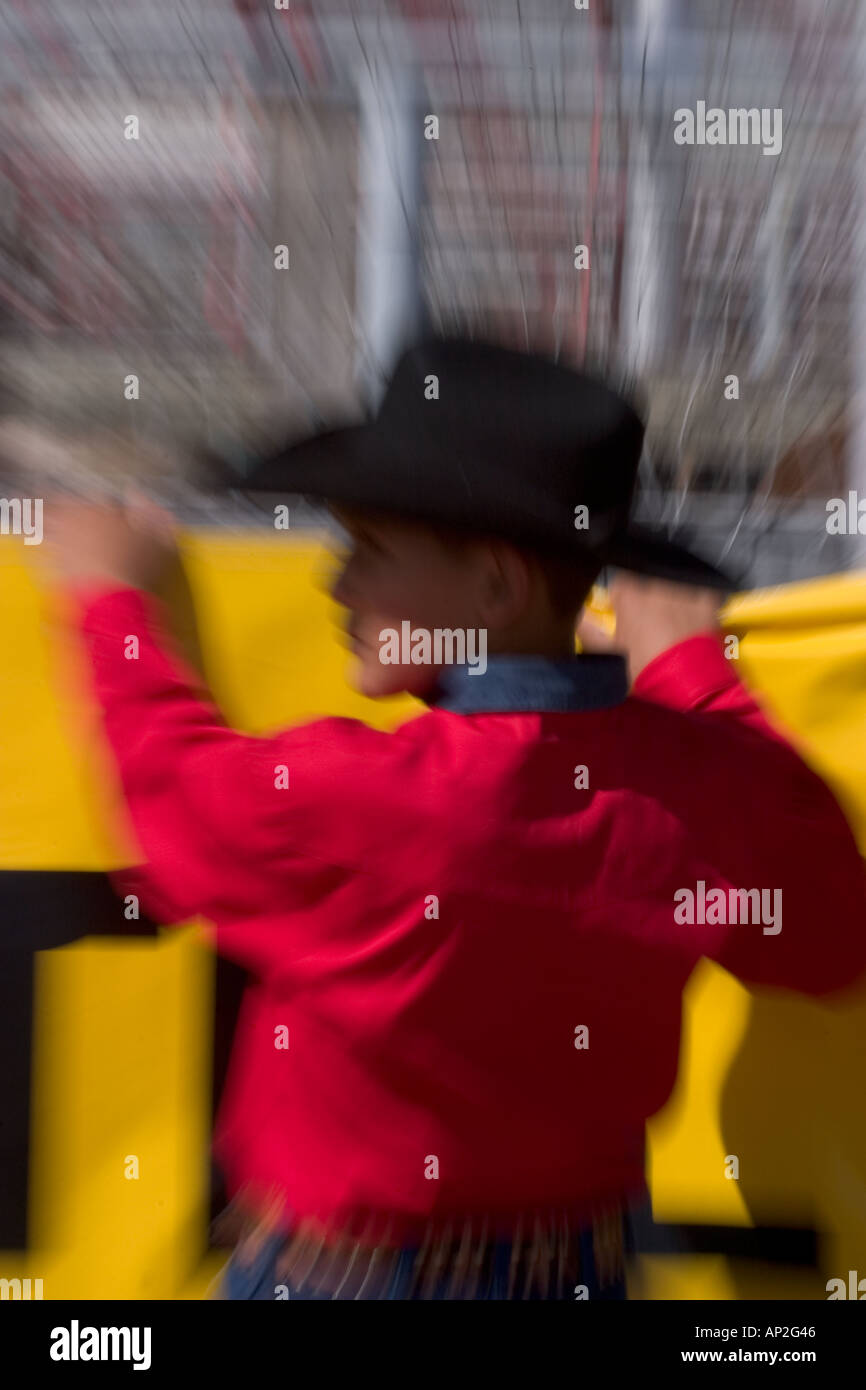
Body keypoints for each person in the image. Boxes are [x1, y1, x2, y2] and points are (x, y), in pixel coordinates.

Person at [42, 338, 866, 1300]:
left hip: (338, 1280)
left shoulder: (360, 793)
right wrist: (691, 673)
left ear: (496, 587)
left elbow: (172, 797)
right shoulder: (696, 782)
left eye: (371, 552)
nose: (334, 582)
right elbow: (827, 935)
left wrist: (113, 603)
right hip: (582, 1273)